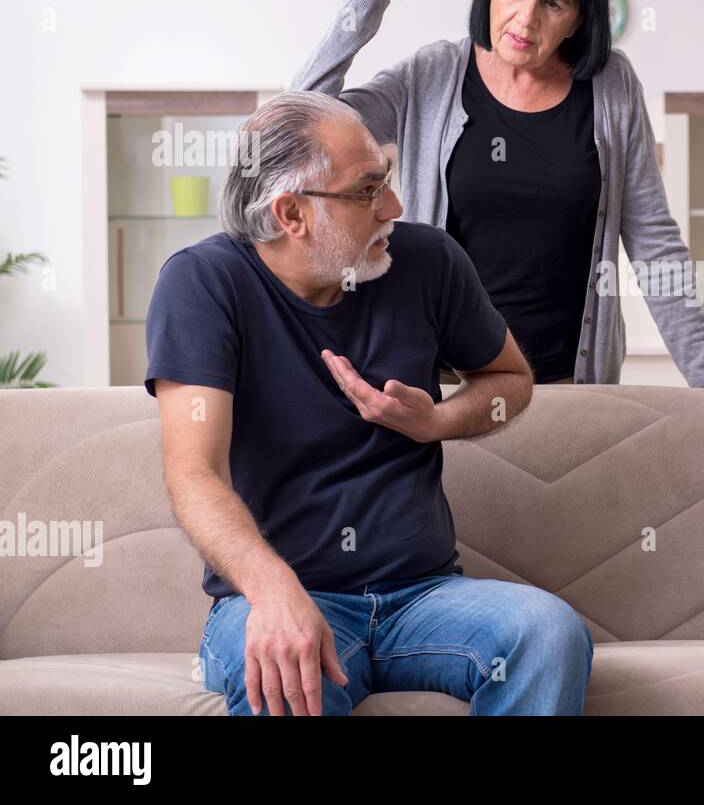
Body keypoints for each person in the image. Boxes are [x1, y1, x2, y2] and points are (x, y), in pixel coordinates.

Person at [144, 90, 593, 715]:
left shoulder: (429, 261)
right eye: (366, 190)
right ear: (291, 213)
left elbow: (509, 380)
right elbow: (193, 472)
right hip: (283, 595)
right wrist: (274, 593)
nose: (394, 206)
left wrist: (436, 420)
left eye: (387, 181)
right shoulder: (203, 283)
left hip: (426, 598)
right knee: (285, 677)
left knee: (548, 630)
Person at [292, 0, 704, 395]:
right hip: (443, 382)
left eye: (552, 2)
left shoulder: (611, 86)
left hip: (570, 382)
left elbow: (653, 240)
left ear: (578, 17)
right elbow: (296, 126)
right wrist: (364, 8)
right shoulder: (433, 74)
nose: (526, 18)